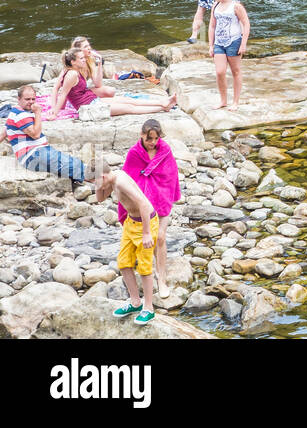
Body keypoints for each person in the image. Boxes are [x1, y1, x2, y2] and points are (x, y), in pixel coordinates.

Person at [120, 119, 181, 298]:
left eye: (155, 139)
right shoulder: (134, 153)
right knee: (148, 241)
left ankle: (161, 279)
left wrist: (164, 193)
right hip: (142, 206)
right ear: (142, 135)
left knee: (160, 237)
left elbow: (170, 175)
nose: (152, 142)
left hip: (162, 200)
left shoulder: (165, 150)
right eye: (149, 139)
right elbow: (128, 181)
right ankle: (147, 273)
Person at [95, 167, 159, 326]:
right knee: (123, 262)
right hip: (131, 224)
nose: (94, 184)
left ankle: (149, 309)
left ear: (102, 176)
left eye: (95, 181)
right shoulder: (110, 180)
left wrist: (146, 233)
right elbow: (100, 199)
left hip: (146, 224)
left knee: (144, 267)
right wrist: (97, 186)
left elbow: (143, 204)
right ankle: (135, 302)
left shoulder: (121, 182)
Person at [51, 49, 175, 119]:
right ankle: (163, 107)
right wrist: (54, 113)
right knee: (129, 108)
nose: (84, 60)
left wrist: (96, 59)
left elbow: (96, 81)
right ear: (73, 62)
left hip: (93, 101)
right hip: (89, 108)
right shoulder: (71, 74)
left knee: (128, 100)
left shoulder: (77, 70)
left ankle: (163, 102)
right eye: (81, 59)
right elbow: (63, 94)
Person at [4, 85, 87, 188]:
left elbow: (5, 131)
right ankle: (100, 179)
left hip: (37, 152)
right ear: (19, 99)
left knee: (70, 162)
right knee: (72, 165)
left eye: (33, 99)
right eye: (27, 99)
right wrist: (38, 112)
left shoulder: (15, 112)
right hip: (33, 155)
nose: (31, 102)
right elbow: (35, 134)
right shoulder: (21, 115)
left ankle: (90, 181)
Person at [208, 0, 250, 110]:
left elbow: (246, 23)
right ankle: (223, 101)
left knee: (235, 71)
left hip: (234, 41)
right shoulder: (215, 6)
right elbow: (212, 26)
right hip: (219, 43)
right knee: (220, 72)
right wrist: (211, 45)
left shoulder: (236, 6)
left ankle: (235, 102)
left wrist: (243, 44)